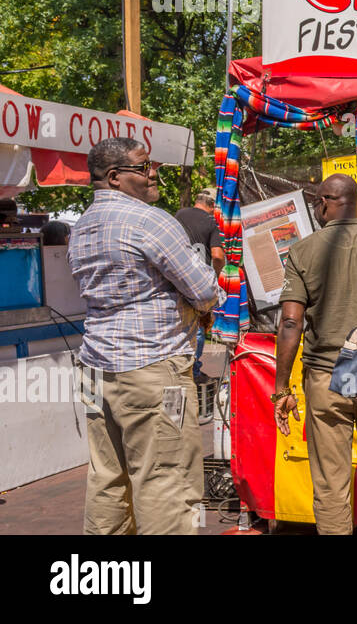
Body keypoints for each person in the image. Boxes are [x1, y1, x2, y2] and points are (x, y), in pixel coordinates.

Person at [67, 137, 222, 535]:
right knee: (166, 482)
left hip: (97, 370)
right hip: (153, 371)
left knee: (106, 479)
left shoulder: (82, 225)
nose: (155, 172)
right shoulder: (149, 220)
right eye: (145, 165)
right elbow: (205, 291)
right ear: (116, 177)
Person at [274, 173, 357, 535]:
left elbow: (290, 323)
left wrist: (281, 387)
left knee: (330, 483)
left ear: (324, 202)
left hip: (325, 378)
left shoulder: (302, 251)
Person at [174, 187, 225, 381]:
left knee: (180, 323)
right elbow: (217, 256)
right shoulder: (211, 222)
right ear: (211, 205)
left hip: (176, 278)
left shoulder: (179, 214)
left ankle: (181, 368)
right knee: (200, 323)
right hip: (198, 281)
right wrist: (217, 275)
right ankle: (194, 370)